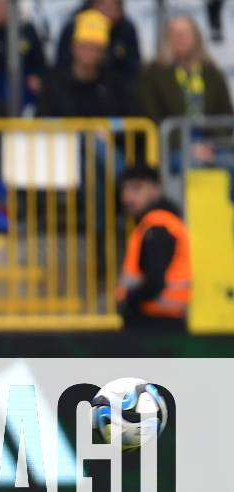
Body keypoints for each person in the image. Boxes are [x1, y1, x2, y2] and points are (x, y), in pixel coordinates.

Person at [139, 14, 233, 163]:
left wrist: (211, 145)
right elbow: (151, 118)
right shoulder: (154, 73)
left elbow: (225, 116)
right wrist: (185, 145)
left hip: (211, 145)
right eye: (175, 34)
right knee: (194, 164)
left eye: (185, 33)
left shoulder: (211, 72)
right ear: (167, 39)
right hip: (171, 147)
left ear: (196, 37)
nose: (180, 38)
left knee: (228, 163)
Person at [116, 165, 191, 332]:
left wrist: (127, 300)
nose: (127, 197)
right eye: (125, 190)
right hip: (162, 322)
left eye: (136, 188)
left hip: (153, 324)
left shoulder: (157, 226)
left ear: (156, 189)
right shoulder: (160, 223)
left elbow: (156, 282)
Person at [38, 9, 141, 118]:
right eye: (84, 46)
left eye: (95, 48)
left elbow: (136, 122)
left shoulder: (116, 86)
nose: (88, 53)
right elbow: (42, 122)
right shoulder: (54, 83)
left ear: (103, 53)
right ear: (73, 47)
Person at [55, 0, 140, 80]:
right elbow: (61, 65)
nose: (109, 12)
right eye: (104, 5)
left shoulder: (126, 30)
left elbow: (133, 67)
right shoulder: (74, 25)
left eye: (114, 6)